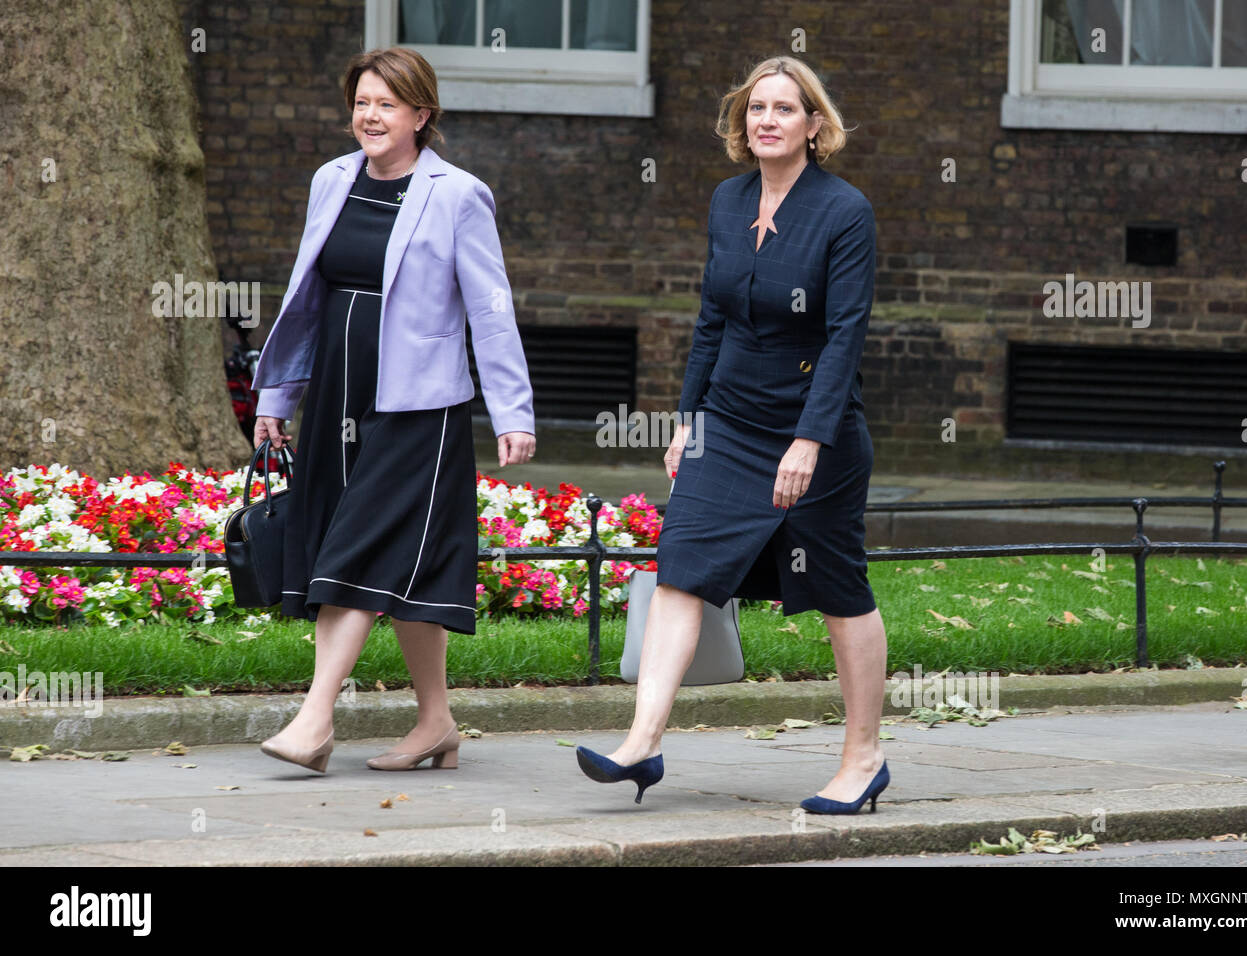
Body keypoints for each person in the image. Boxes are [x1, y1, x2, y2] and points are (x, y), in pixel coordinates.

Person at [576, 56, 889, 813]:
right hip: (731, 421)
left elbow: (846, 336)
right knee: (682, 563)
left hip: (815, 429)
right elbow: (711, 318)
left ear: (815, 126)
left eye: (785, 109)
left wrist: (809, 441)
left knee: (838, 588)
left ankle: (864, 757)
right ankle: (642, 741)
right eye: (756, 109)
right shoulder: (727, 200)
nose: (768, 120)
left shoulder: (844, 212)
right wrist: (689, 421)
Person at [249, 47, 535, 774]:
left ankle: (314, 721)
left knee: (356, 551)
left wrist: (512, 410)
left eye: (386, 104)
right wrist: (278, 396)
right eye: (362, 102)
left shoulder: (457, 194)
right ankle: (436, 721)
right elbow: (305, 298)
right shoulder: (332, 180)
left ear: (421, 115)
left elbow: (490, 308)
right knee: (405, 568)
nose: (369, 116)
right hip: (339, 391)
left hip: (419, 403)